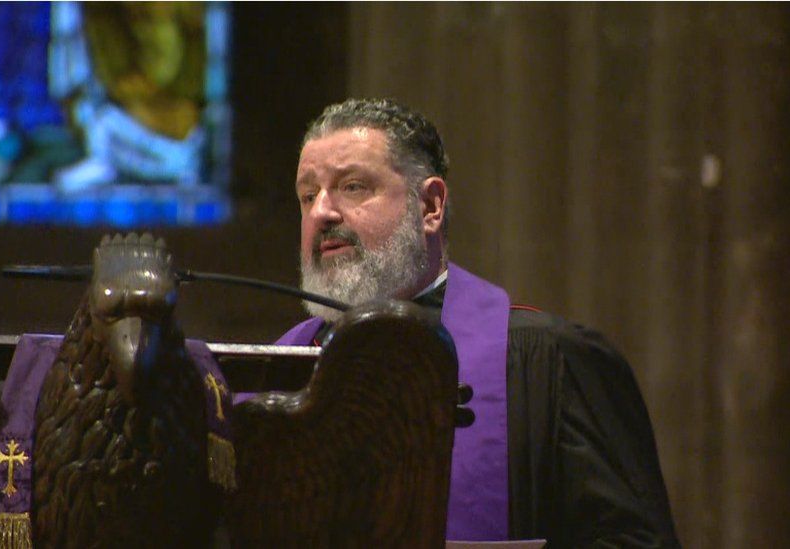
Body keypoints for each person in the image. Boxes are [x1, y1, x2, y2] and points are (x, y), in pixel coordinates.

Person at [276, 98, 681, 547]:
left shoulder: (548, 361)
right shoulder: (275, 370)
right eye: (307, 195)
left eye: (352, 187)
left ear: (430, 206)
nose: (321, 213)